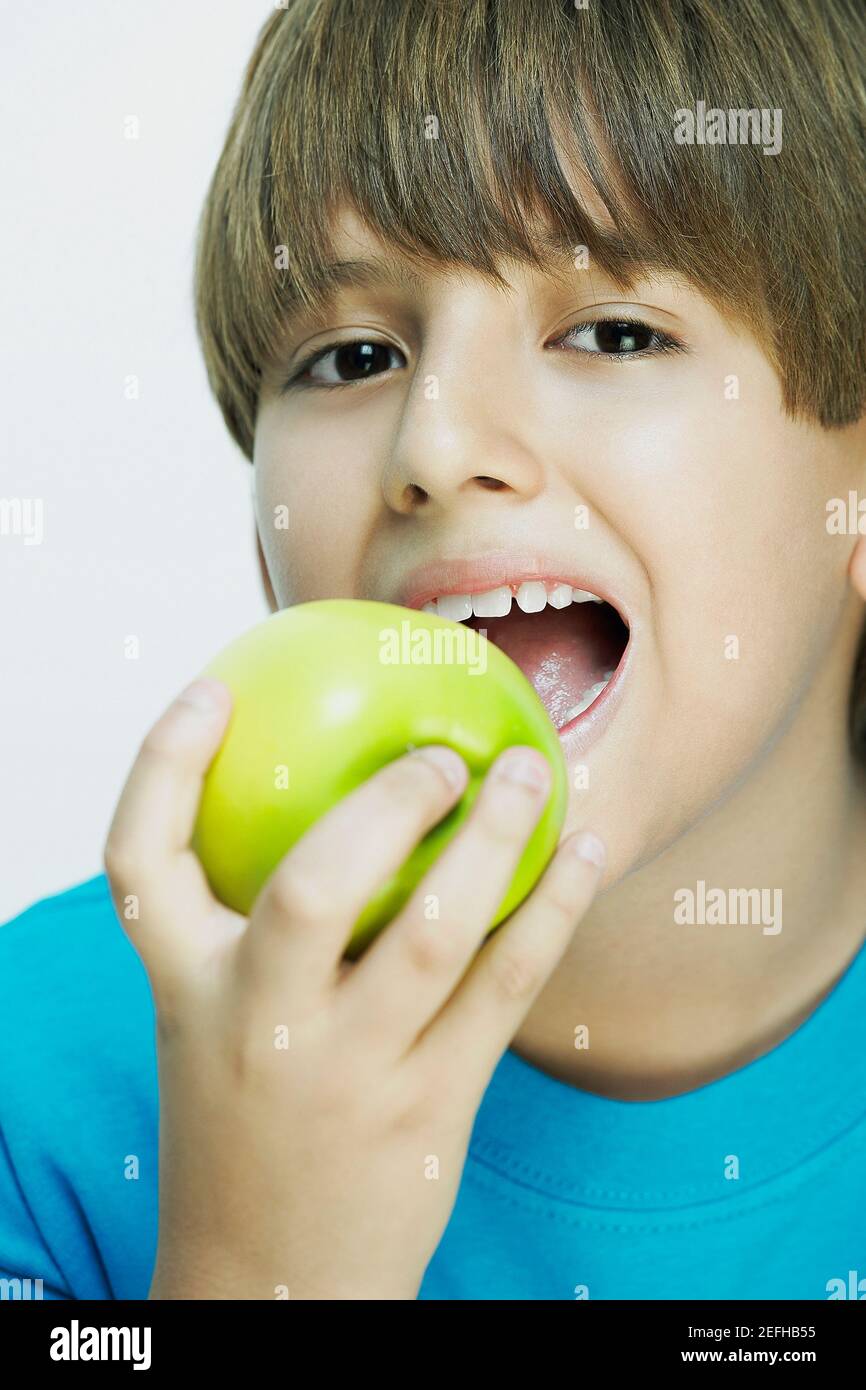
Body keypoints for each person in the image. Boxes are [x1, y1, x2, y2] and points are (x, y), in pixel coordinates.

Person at [2, 0, 865, 1300]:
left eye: (615, 332)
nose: (431, 447)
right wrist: (256, 1269)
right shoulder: (40, 1086)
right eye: (353, 356)